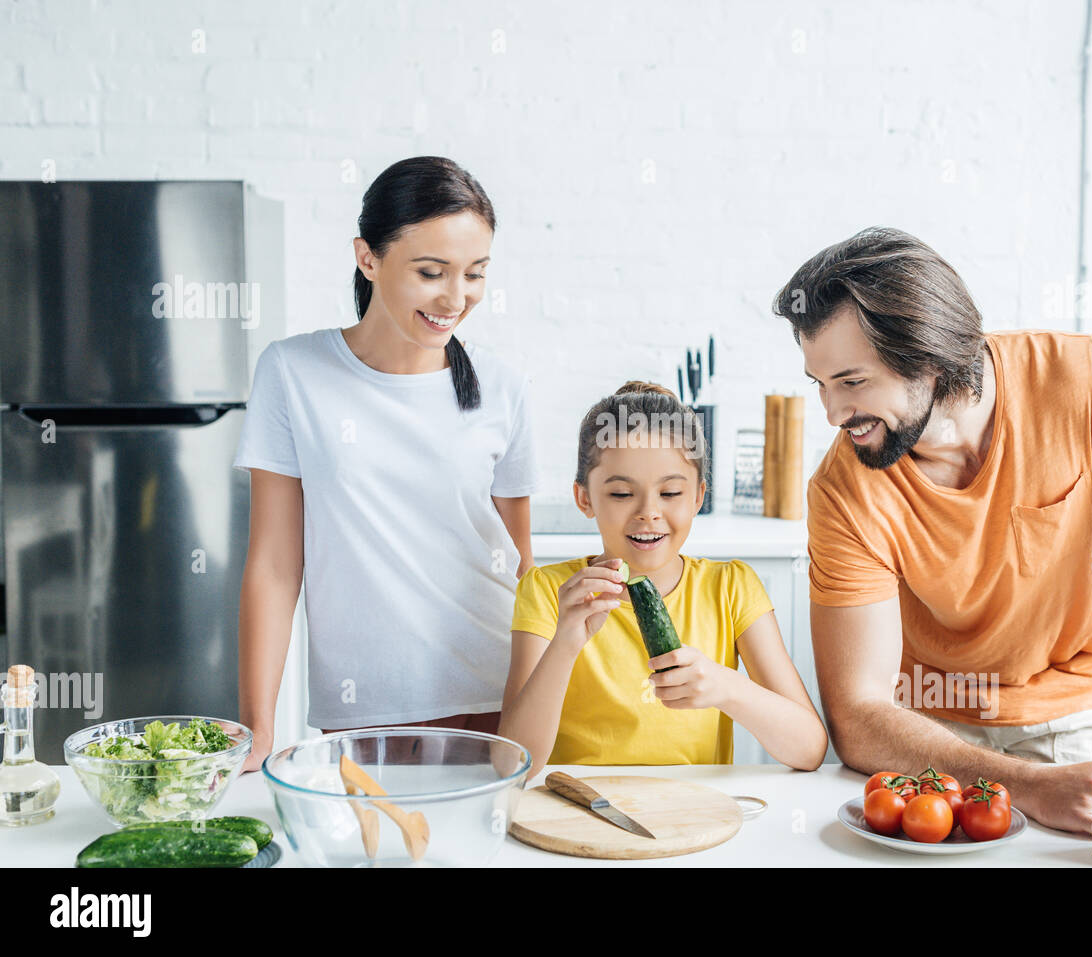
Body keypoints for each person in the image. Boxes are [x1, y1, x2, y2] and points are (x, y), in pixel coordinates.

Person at [772, 226, 1092, 834]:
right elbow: (859, 714)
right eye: (821, 384)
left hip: (1083, 727)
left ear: (928, 356)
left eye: (852, 382)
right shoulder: (843, 488)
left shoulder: (1084, 382)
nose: (834, 414)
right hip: (930, 746)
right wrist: (1023, 787)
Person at [234, 156, 539, 771]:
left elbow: (520, 564)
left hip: (497, 699)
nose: (456, 298)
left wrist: (536, 696)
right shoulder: (292, 373)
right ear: (367, 257)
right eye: (432, 272)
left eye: (475, 274)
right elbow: (273, 563)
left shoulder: (502, 387)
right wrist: (257, 727)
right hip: (361, 708)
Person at [499, 382, 827, 778]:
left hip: (690, 818)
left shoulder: (732, 588)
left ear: (698, 496)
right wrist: (566, 643)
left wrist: (727, 687)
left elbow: (809, 750)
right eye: (621, 494)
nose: (648, 513)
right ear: (584, 498)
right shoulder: (548, 592)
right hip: (578, 812)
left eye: (670, 492)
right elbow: (511, 765)